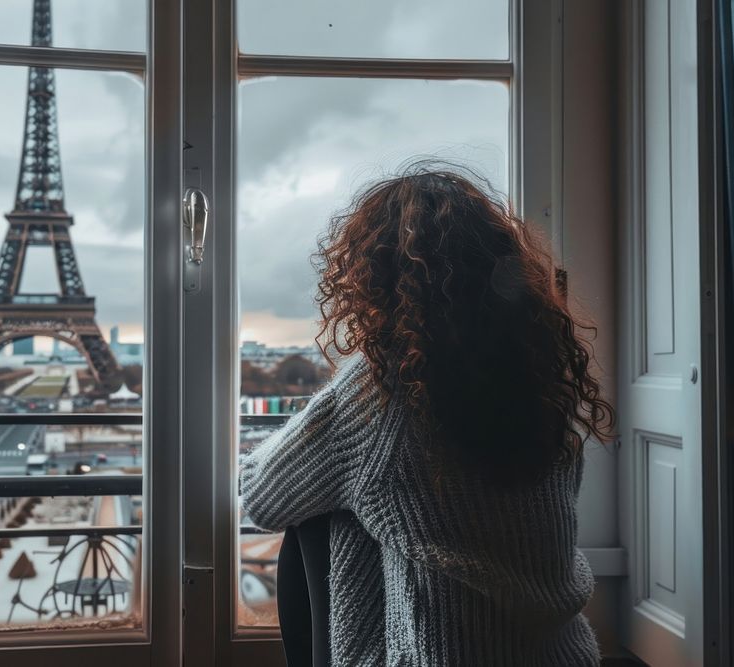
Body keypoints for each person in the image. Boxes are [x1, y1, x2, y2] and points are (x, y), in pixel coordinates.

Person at [240, 163, 615, 666]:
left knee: (327, 508)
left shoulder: (385, 390)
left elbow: (264, 497)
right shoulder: (542, 375)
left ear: (376, 277)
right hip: (563, 654)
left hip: (440, 655)